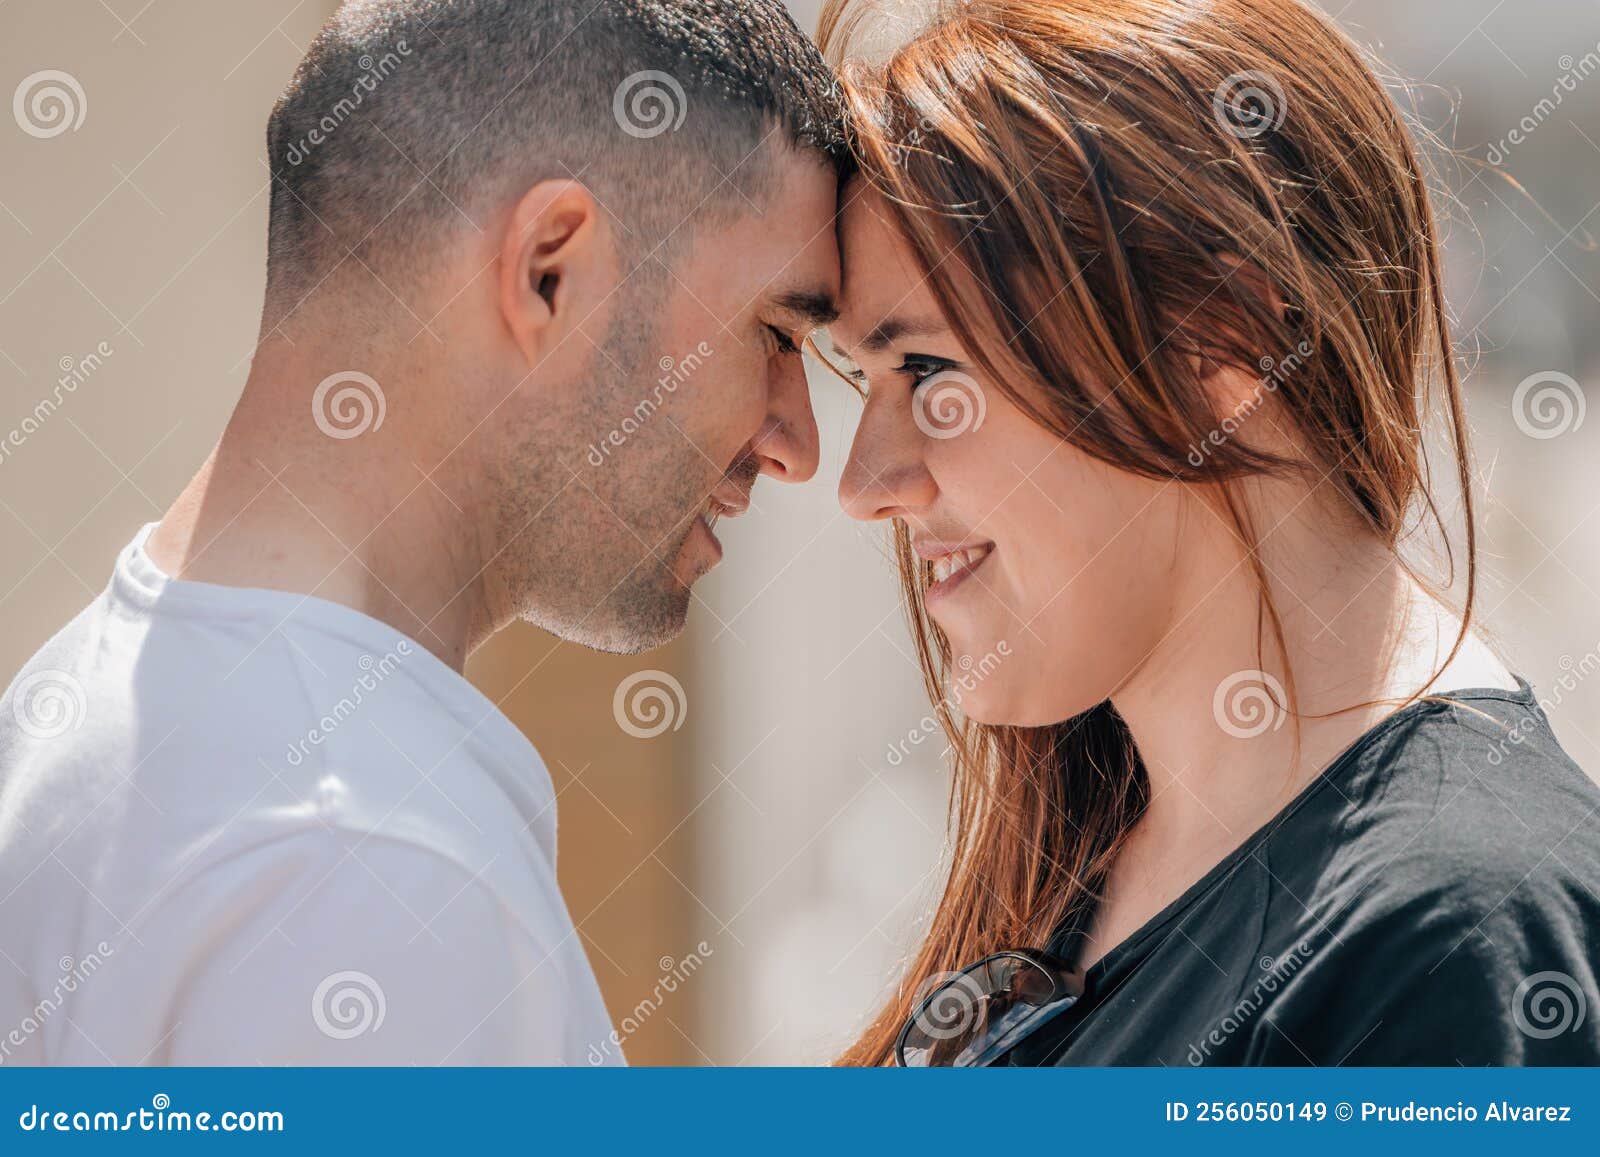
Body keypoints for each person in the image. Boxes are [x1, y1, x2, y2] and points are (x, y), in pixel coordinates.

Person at [0, 0, 844, 1065]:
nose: (797, 444)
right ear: (550, 270)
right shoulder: (366, 862)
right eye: (773, 332)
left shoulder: (74, 716)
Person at [821, 0, 1600, 1065]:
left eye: (928, 373)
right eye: (862, 381)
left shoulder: (1453, 934)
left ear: (1218, 340)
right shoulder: (1099, 861)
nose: (864, 485)